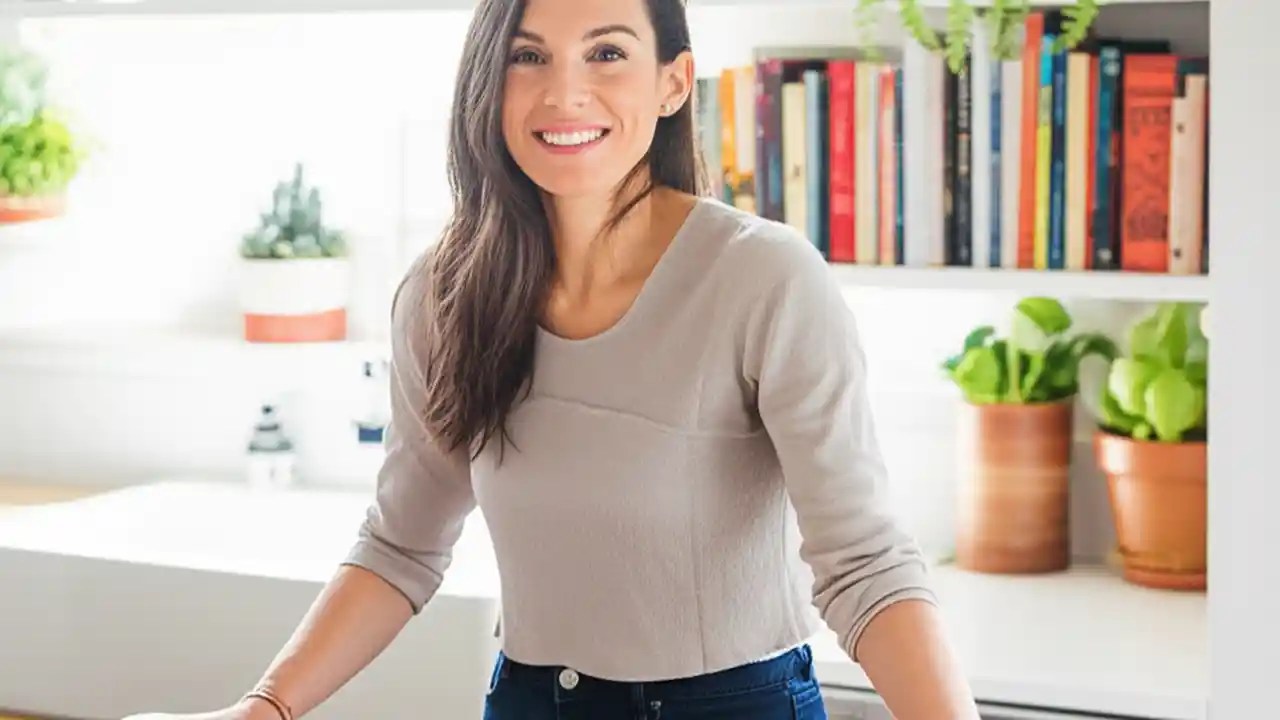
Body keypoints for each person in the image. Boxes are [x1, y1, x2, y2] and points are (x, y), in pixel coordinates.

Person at [125, 0, 979, 718]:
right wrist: (264, 709)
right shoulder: (445, 292)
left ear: (673, 83)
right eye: (527, 57)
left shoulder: (763, 278)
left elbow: (866, 567)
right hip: (531, 699)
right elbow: (399, 547)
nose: (564, 91)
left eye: (607, 52)